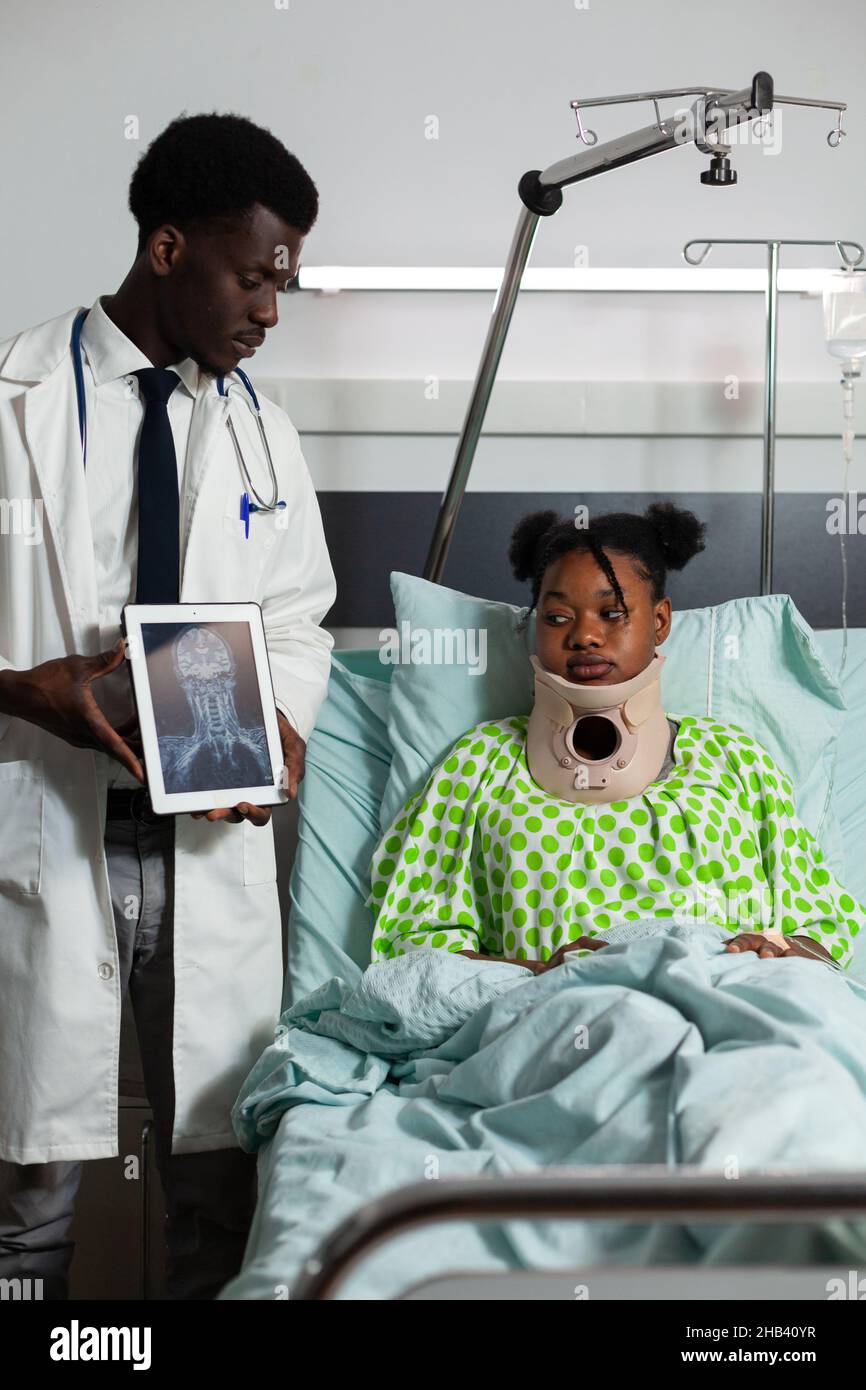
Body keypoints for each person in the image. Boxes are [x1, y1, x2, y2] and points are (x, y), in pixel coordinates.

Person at [0, 113, 337, 1298]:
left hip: (204, 848)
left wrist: (280, 722)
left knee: (214, 1180)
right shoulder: (15, 400)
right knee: (28, 1188)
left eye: (283, 282)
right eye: (253, 276)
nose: (270, 310)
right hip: (46, 832)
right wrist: (18, 691)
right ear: (165, 249)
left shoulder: (262, 431)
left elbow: (297, 615)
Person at [368, 503, 865, 973]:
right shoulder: (479, 764)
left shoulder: (735, 760)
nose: (584, 636)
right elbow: (417, 949)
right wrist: (545, 975)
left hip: (727, 1004)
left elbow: (818, 929)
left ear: (661, 620)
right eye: (557, 618)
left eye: (612, 614)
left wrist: (774, 952)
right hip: (551, 1017)